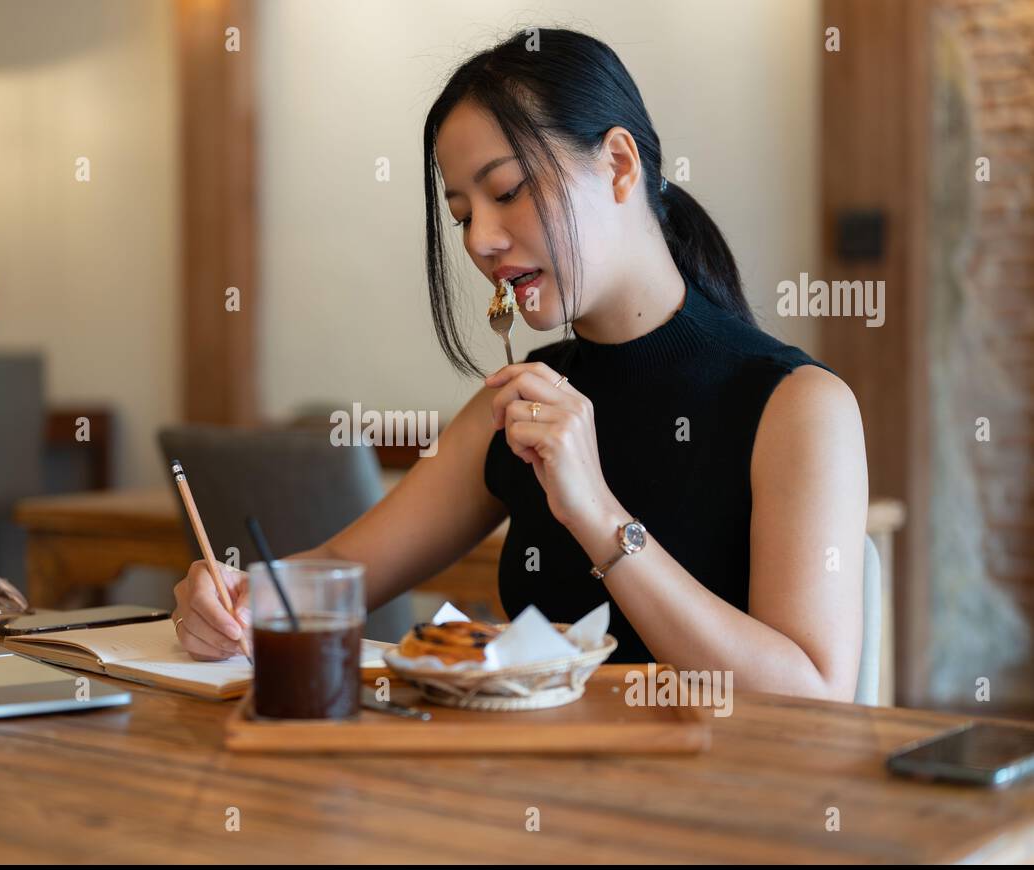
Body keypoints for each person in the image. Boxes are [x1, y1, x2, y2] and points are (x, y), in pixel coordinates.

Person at [171, 29, 868, 700]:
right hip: (533, 801)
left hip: (727, 808)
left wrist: (594, 512)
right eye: (461, 213)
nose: (481, 240)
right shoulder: (520, 403)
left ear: (619, 164)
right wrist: (234, 595)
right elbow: (337, 572)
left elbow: (814, 696)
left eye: (506, 192)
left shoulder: (797, 405)